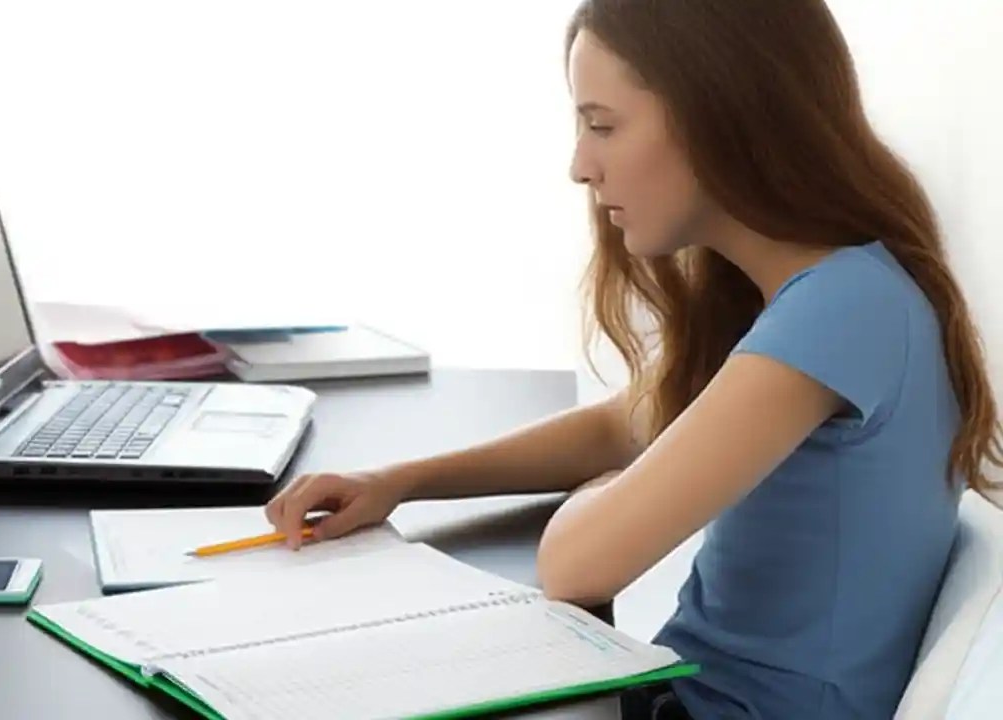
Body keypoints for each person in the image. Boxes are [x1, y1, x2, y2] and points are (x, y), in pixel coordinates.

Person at [265, 1, 1002, 718]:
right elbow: (629, 423)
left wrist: (611, 489)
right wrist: (399, 482)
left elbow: (575, 566)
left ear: (721, 116)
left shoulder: (842, 309)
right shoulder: (819, 294)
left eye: (602, 125)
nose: (581, 166)